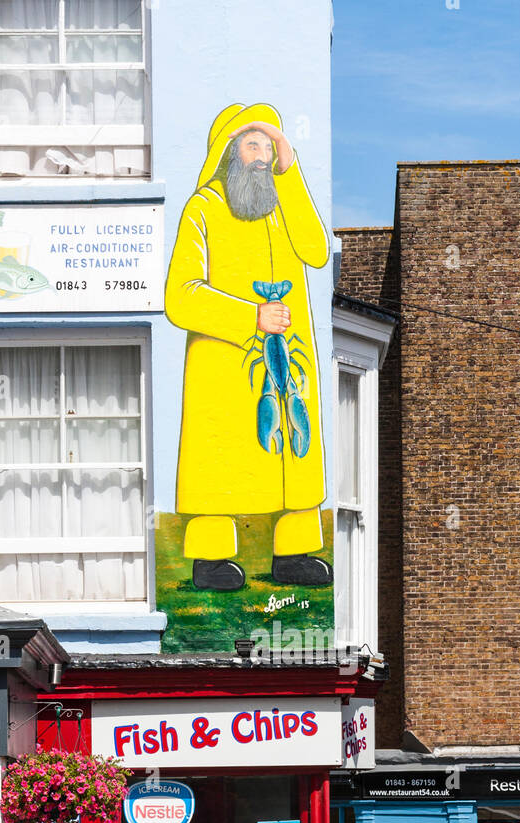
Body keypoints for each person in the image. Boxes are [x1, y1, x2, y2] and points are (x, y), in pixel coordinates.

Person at [165, 102, 331, 592]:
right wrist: (249, 317)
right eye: (252, 144)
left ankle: (293, 553)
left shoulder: (283, 206)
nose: (261, 156)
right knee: (220, 463)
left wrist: (292, 169)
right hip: (224, 366)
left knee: (293, 453)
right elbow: (179, 296)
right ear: (229, 152)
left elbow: (318, 252)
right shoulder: (204, 208)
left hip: (288, 364)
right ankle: (211, 559)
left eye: (269, 146)